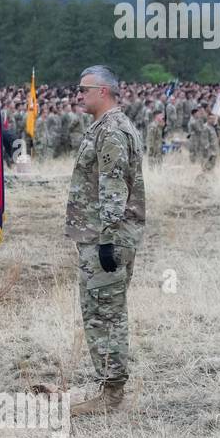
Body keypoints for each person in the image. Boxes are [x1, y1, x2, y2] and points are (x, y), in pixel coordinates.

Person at [65, 66, 146, 415]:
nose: (79, 96)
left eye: (84, 90)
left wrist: (108, 239)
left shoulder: (111, 130)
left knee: (105, 312)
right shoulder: (105, 127)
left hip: (106, 237)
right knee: (99, 309)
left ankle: (111, 393)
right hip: (99, 235)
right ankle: (108, 386)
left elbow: (113, 186)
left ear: (103, 91)